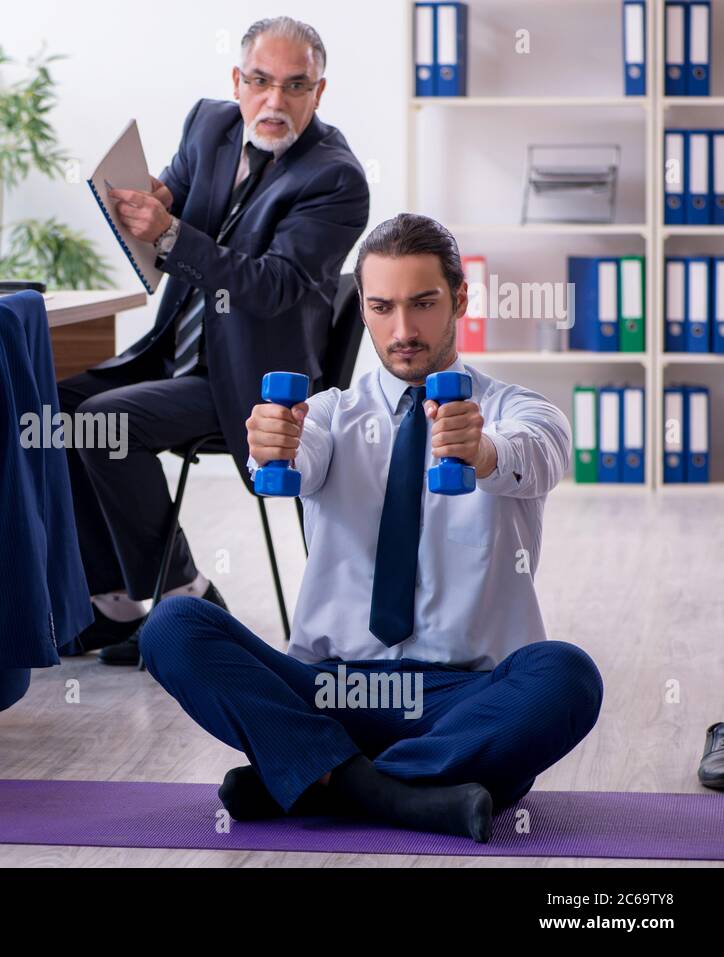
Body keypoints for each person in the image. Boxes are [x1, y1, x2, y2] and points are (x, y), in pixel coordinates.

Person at [138, 213, 603, 843]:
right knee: (172, 624)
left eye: (423, 304)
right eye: (382, 307)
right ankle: (397, 793)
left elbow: (538, 455)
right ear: (363, 308)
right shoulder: (329, 413)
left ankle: (314, 776)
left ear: (459, 300)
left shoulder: (518, 409)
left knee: (566, 677)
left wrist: (482, 452)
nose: (403, 330)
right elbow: (299, 457)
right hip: (331, 693)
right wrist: (272, 445)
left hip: (461, 702)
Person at [59, 16, 369, 664]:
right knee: (57, 410)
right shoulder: (211, 123)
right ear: (237, 80)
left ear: (319, 91)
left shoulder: (336, 179)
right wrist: (158, 196)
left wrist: (169, 234)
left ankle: (186, 595)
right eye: (260, 82)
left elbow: (273, 285)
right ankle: (114, 600)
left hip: (254, 382)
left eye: (294, 86)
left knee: (104, 421)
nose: (274, 102)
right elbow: (176, 186)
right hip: (175, 351)